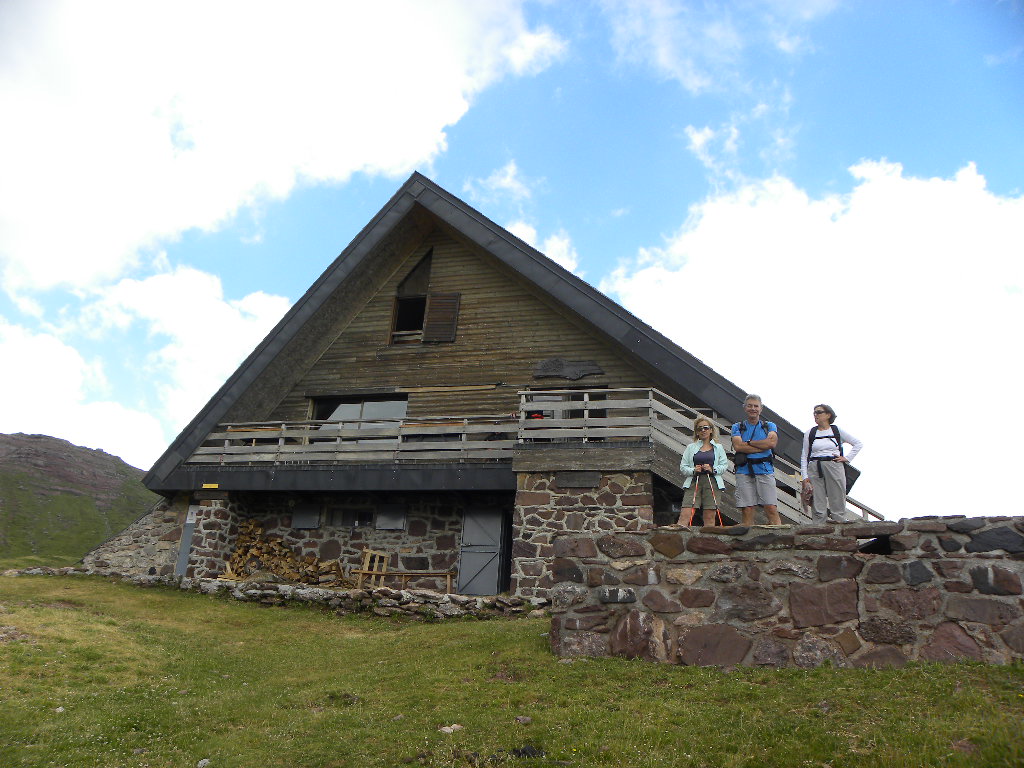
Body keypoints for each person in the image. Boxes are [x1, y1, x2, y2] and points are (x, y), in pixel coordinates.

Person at [800, 404, 863, 523]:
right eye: (814, 413)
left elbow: (857, 443)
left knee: (837, 496)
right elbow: (804, 456)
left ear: (828, 415)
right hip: (815, 466)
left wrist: (847, 458)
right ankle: (819, 527)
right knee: (817, 498)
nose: (815, 415)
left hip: (833, 464)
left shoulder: (836, 430)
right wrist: (805, 477)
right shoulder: (810, 433)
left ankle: (839, 525)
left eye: (818, 412)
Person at [731, 394, 781, 526]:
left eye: (756, 406)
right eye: (750, 406)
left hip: (765, 469)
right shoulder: (737, 426)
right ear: (744, 408)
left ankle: (780, 538)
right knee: (747, 509)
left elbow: (771, 444)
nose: (753, 409)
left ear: (761, 408)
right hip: (743, 470)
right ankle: (748, 539)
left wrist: (748, 443)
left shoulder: (769, 425)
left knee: (771, 508)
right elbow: (738, 446)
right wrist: (762, 446)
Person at [678, 417, 729, 526]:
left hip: (712, 482)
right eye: (699, 428)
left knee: (710, 515)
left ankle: (709, 540)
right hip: (693, 481)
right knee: (686, 513)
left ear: (711, 430)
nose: (703, 430)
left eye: (706, 428)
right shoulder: (691, 447)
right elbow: (683, 467)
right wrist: (693, 470)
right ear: (696, 432)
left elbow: (724, 465)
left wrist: (712, 469)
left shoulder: (718, 447)